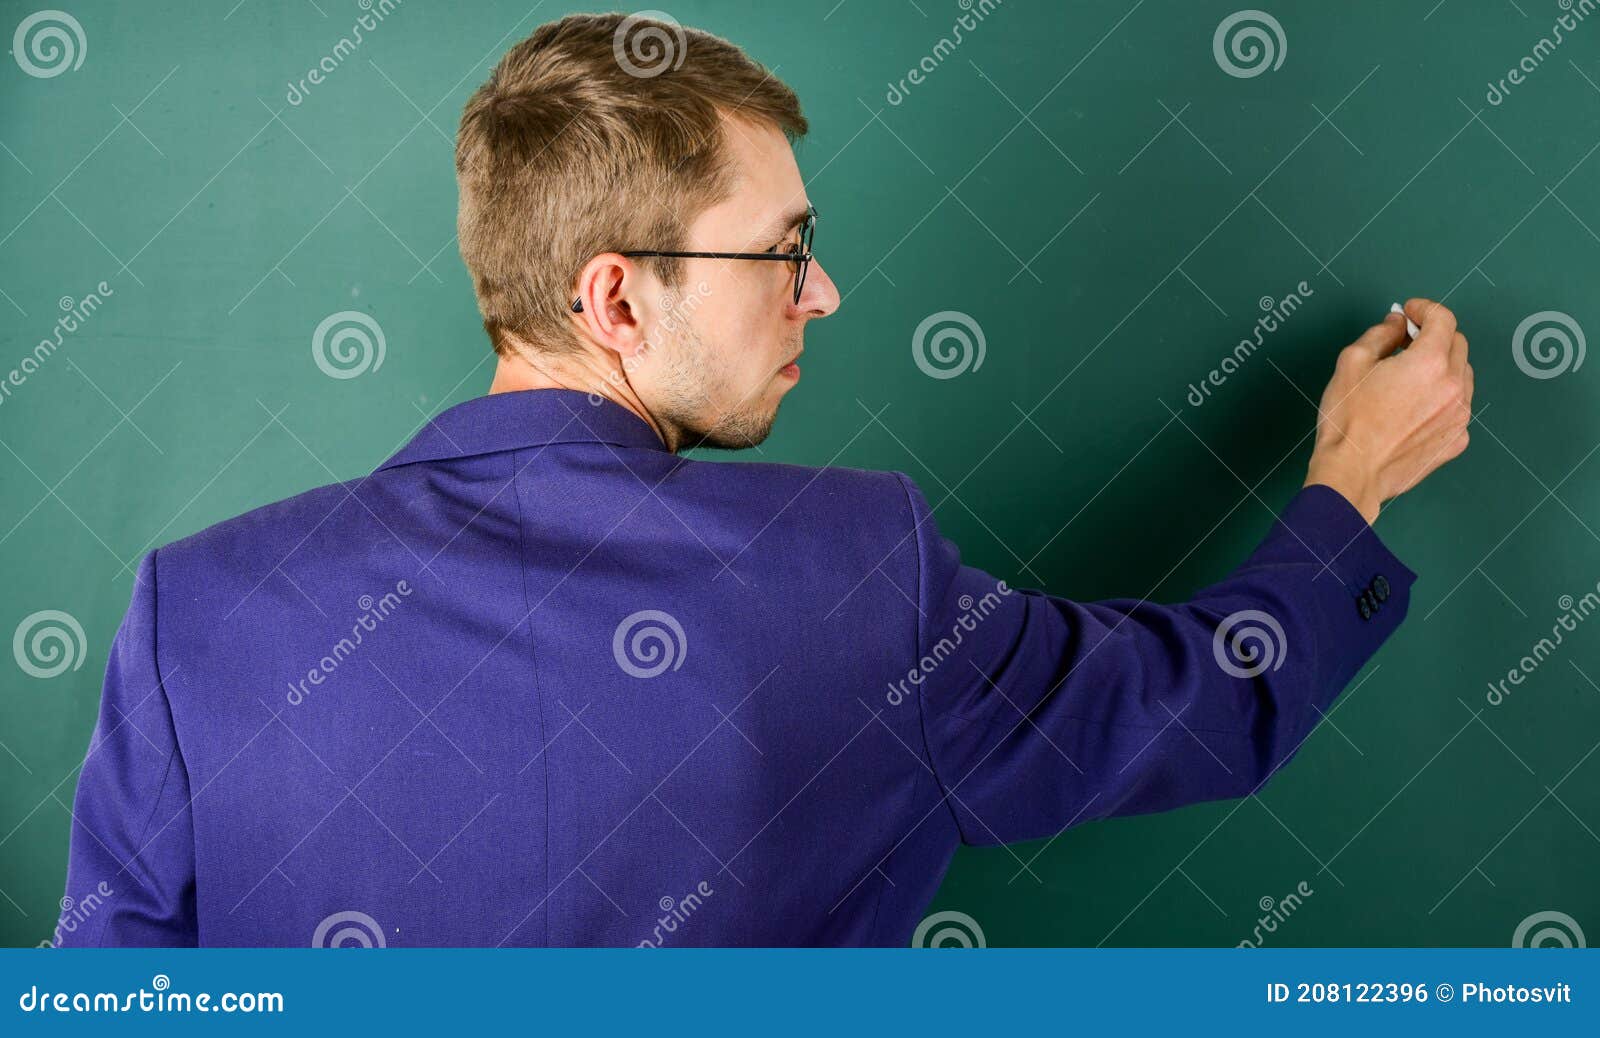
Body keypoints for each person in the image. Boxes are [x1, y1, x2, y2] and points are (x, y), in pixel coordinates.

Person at [60, 13, 1472, 947]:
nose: (826, 292)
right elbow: (1205, 706)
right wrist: (1351, 481)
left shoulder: (197, 612)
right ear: (616, 300)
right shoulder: (849, 575)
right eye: (783, 250)